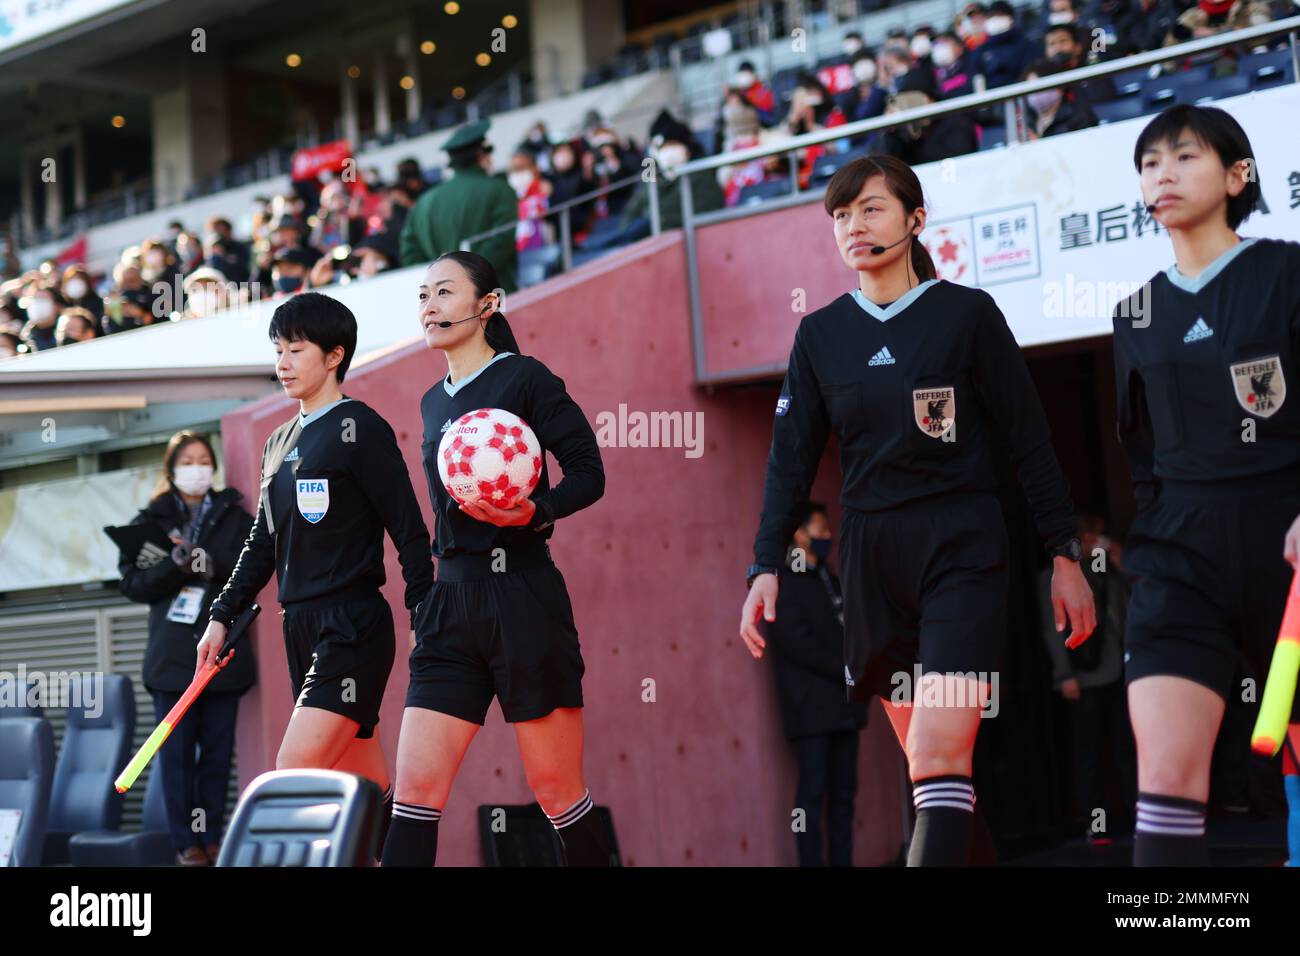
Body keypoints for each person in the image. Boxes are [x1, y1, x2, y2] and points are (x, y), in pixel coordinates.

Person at [739, 154, 1095, 866]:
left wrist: (1064, 552)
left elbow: (1029, 440)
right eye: (841, 215)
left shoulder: (966, 314)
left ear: (915, 219)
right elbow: (790, 461)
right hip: (874, 558)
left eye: (871, 209)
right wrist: (765, 564)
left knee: (936, 755)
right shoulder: (819, 335)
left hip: (963, 547)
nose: (853, 226)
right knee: (933, 769)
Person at [1111, 104, 1300, 865]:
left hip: (1288, 551)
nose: (1162, 172)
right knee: (1163, 778)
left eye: (1183, 157)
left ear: (1236, 176)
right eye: (1149, 162)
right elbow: (1142, 456)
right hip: (1177, 558)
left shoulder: (1286, 272)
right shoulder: (1135, 313)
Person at [380, 250, 607, 867]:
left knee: (556, 790)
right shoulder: (433, 401)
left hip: (523, 598)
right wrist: (425, 599)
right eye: (423, 295)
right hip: (449, 607)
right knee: (415, 794)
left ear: (488, 304)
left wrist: (536, 511)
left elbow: (589, 474)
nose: (430, 305)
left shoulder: (526, 378)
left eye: (445, 292)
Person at [197, 292, 434, 862]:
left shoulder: (360, 427)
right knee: (365, 785)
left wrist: (426, 615)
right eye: (277, 349)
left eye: (295, 349)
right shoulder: (277, 442)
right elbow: (261, 542)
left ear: (334, 355)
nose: (282, 362)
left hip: (351, 625)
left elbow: (407, 526)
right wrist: (221, 616)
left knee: (293, 770)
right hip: (295, 624)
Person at [117, 432, 257, 866]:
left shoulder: (235, 515)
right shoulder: (150, 520)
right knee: (175, 758)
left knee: (216, 755)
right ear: (172, 469)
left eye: (203, 460)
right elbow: (134, 584)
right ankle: (186, 844)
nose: (196, 468)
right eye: (188, 461)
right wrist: (173, 566)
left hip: (221, 654)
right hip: (172, 658)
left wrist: (204, 563)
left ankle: (211, 838)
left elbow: (248, 568)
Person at [765, 501, 868, 866]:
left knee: (844, 797)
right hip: (810, 711)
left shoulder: (830, 577)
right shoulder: (782, 581)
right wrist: (846, 669)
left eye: (828, 532)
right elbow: (796, 643)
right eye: (820, 531)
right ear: (798, 532)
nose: (827, 538)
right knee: (811, 798)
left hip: (846, 708)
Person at [1037, 514, 1136, 845]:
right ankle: (1098, 825)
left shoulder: (1107, 567)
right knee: (1089, 754)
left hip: (1120, 671)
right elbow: (1053, 631)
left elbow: (1137, 586)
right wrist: (1063, 674)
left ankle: (1141, 820)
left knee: (1128, 748)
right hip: (1083, 676)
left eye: (1098, 533)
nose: (1095, 540)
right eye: (1090, 534)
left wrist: (1114, 554)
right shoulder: (1054, 577)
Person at [399, 119, 519, 293]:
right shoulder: (500, 190)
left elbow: (410, 253)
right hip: (493, 296)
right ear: (481, 155)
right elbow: (501, 241)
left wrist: (443, 284)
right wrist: (467, 279)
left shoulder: (424, 202)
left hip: (443, 302)